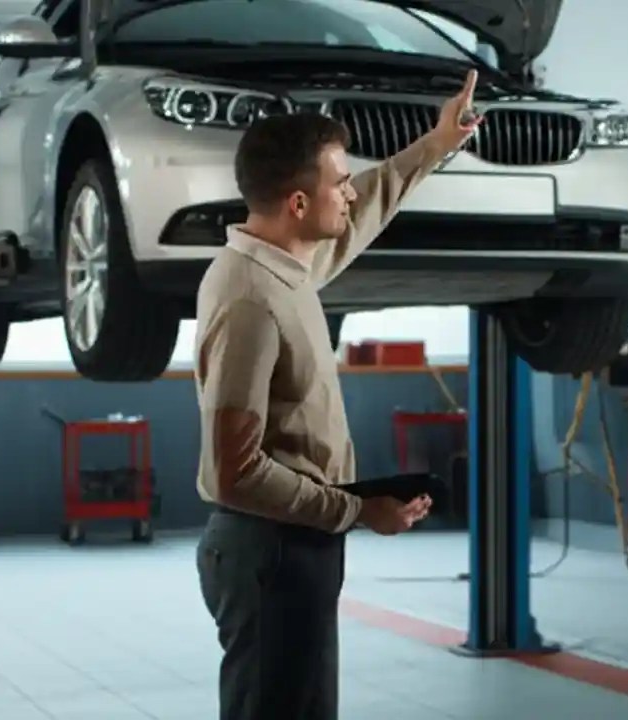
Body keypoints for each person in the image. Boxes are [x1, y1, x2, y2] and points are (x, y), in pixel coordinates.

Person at [192, 71, 483, 719]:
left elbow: (369, 206)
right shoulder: (250, 298)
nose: (351, 192)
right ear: (298, 204)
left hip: (294, 541)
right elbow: (235, 473)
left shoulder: (282, 267)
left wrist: (437, 145)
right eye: (339, 182)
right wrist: (356, 512)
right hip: (270, 548)